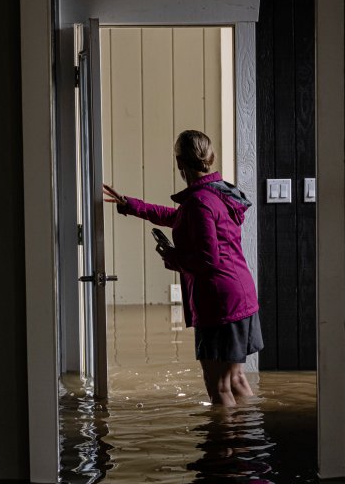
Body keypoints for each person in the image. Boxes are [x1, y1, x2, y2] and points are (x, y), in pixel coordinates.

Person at [103, 129, 262, 406]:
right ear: (209, 158)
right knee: (236, 380)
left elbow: (207, 259)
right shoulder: (218, 193)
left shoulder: (199, 201)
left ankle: (224, 448)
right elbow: (178, 218)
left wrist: (172, 257)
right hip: (241, 295)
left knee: (219, 387)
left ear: (179, 163)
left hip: (219, 302)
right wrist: (131, 206)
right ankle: (249, 444)